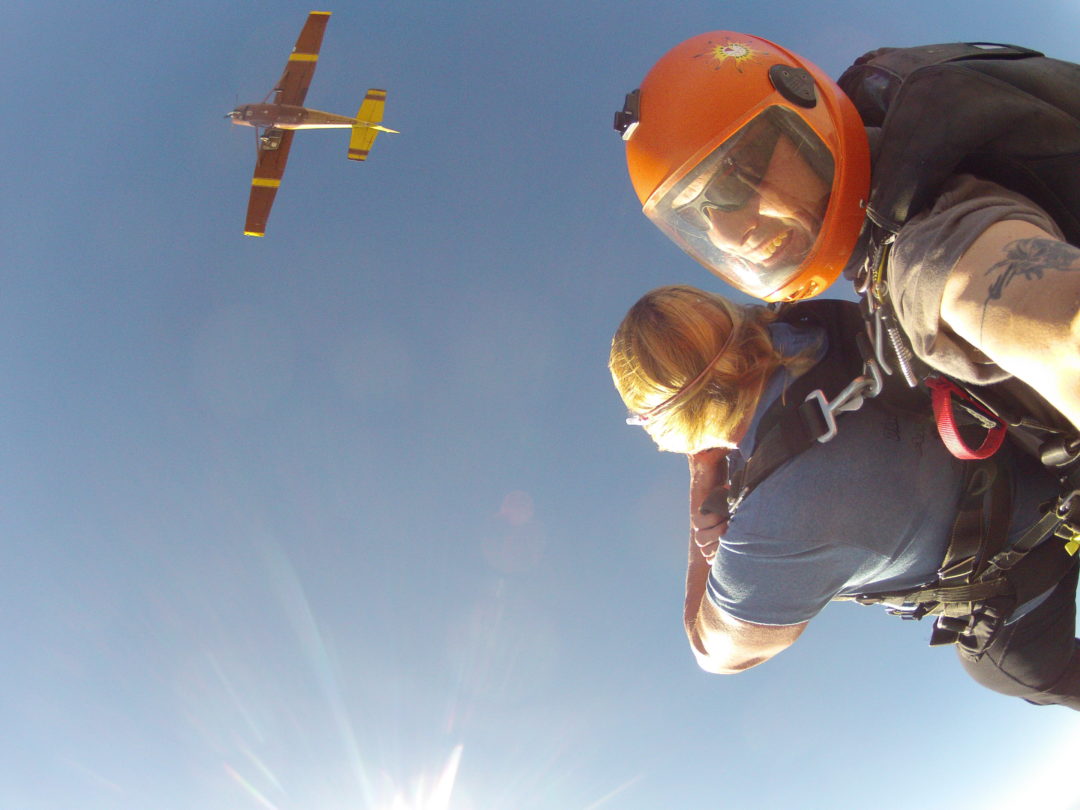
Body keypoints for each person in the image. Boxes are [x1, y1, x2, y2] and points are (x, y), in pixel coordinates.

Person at [609, 284, 1080, 708]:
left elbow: (714, 650)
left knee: (1005, 668)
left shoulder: (775, 523)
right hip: (1048, 445)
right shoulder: (810, 324)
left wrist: (701, 473)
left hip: (1032, 549)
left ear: (669, 420)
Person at [612, 34, 1080, 433]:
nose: (727, 233)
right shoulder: (879, 244)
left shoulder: (921, 243)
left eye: (733, 179)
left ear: (801, 114)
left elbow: (1050, 324)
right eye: (701, 215)